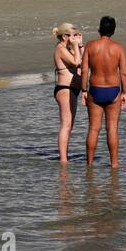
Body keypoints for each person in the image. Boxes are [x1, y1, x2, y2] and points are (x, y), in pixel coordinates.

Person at [81, 16, 126, 168]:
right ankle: (114, 164)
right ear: (113, 30)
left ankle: (89, 165)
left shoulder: (90, 46)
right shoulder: (118, 48)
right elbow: (123, 73)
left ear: (99, 28)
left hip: (95, 90)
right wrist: (124, 92)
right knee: (112, 128)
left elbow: (84, 70)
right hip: (113, 91)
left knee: (94, 128)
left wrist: (83, 90)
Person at [52, 23, 84, 163]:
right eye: (73, 35)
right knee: (66, 124)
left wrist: (80, 45)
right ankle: (63, 159)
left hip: (73, 89)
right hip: (65, 89)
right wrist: (76, 46)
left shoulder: (68, 48)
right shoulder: (60, 49)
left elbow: (83, 62)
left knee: (70, 125)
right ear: (65, 36)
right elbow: (76, 62)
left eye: (77, 35)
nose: (75, 38)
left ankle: (65, 154)